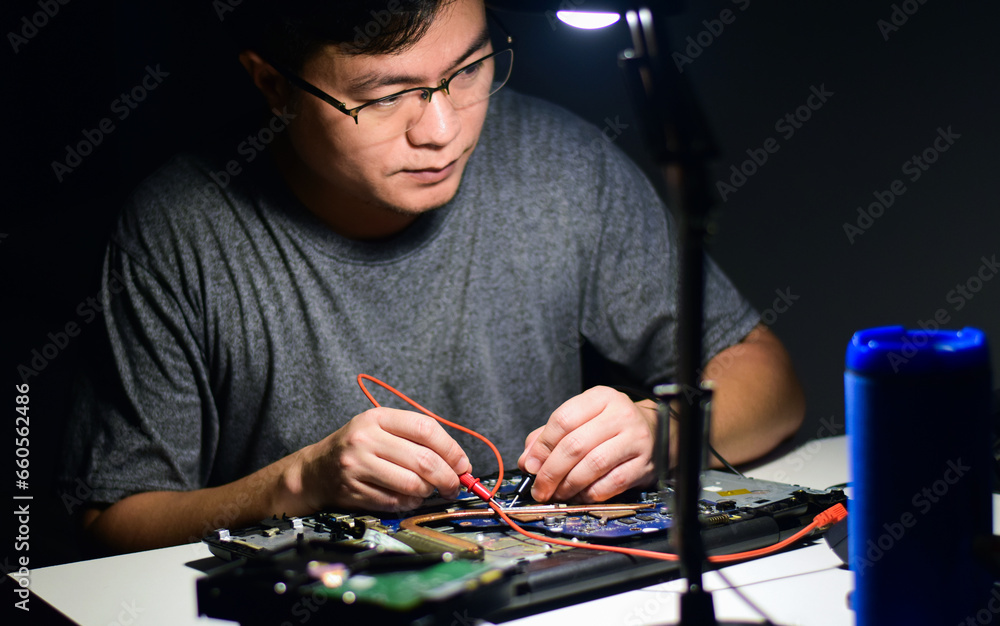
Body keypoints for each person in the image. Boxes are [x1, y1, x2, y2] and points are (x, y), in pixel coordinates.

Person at [61, 0, 804, 554]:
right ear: (272, 85)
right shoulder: (180, 227)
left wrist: (660, 430)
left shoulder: (560, 164)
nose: (443, 131)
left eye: (469, 70)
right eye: (386, 97)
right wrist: (299, 484)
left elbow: (769, 382)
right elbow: (109, 524)